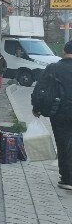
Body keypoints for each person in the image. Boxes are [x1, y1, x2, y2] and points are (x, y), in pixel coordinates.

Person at [32, 40, 72, 190]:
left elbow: (40, 89)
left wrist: (37, 108)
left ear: (63, 51)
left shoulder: (54, 68)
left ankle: (67, 179)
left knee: (63, 144)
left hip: (59, 112)